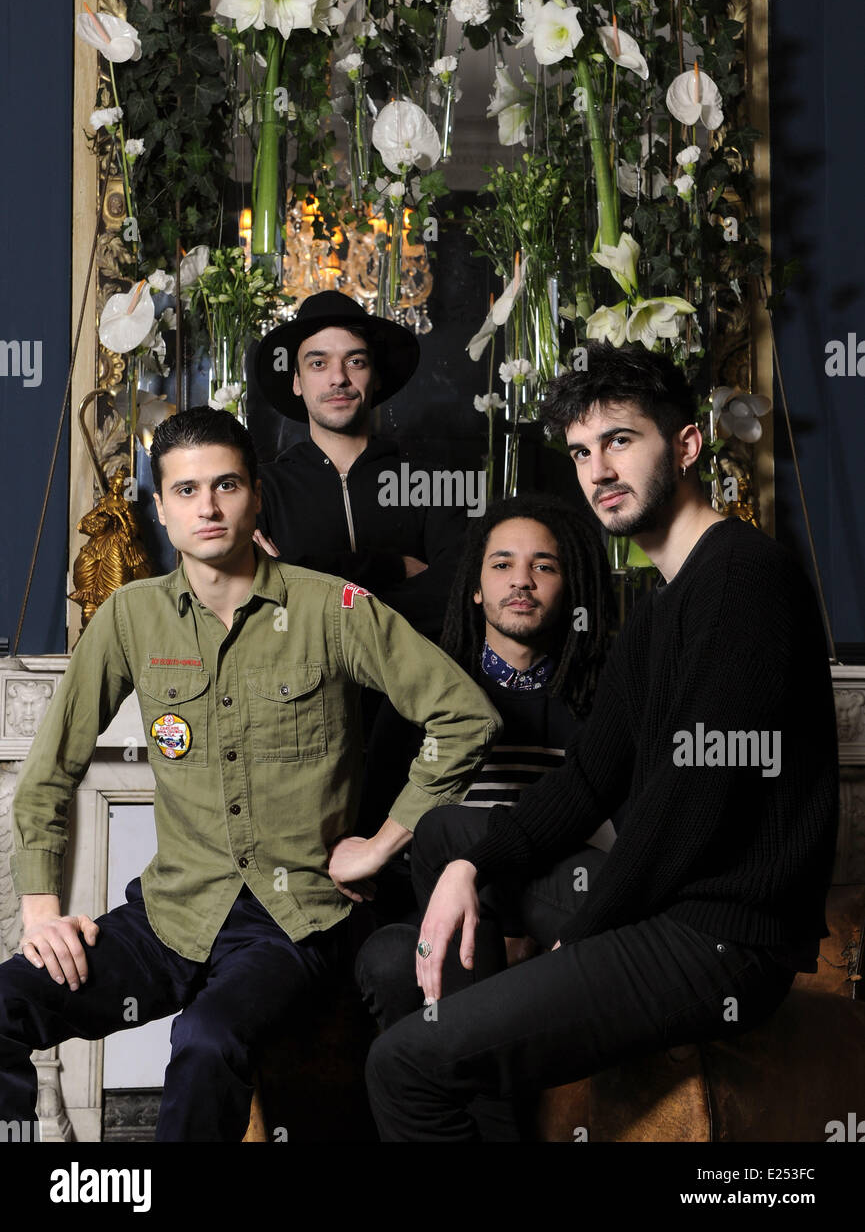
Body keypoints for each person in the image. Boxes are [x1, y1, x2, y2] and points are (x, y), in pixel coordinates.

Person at [363, 342, 840, 1142]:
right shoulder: (656, 604)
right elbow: (586, 780)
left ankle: (463, 1054)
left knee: (403, 1065)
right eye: (582, 452)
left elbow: (691, 804)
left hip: (717, 941)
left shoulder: (741, 580)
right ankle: (489, 1086)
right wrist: (467, 867)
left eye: (620, 440)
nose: (597, 470)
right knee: (450, 832)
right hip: (667, 909)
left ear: (685, 446)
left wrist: (578, 939)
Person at [0, 407, 501, 1143]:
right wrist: (41, 909)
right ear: (161, 508)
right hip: (171, 914)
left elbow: (466, 716)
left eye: (226, 485)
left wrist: (382, 842)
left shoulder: (334, 608)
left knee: (206, 1042)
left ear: (256, 495)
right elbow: (50, 771)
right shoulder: (131, 618)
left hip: (290, 923)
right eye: (187, 490)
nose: (207, 507)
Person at [355, 493, 616, 1037]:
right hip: (443, 907)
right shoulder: (424, 702)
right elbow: (384, 834)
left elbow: (625, 836)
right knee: (386, 957)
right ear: (476, 588)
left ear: (568, 588)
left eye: (543, 566)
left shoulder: (603, 700)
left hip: (553, 904)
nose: (521, 581)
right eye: (502, 565)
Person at [252, 291, 467, 640]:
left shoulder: (433, 485)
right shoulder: (261, 489)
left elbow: (455, 599)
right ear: (296, 381)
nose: (338, 378)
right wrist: (393, 566)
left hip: (409, 690)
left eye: (355, 361)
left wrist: (295, 576)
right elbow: (258, 609)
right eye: (318, 363)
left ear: (376, 377)